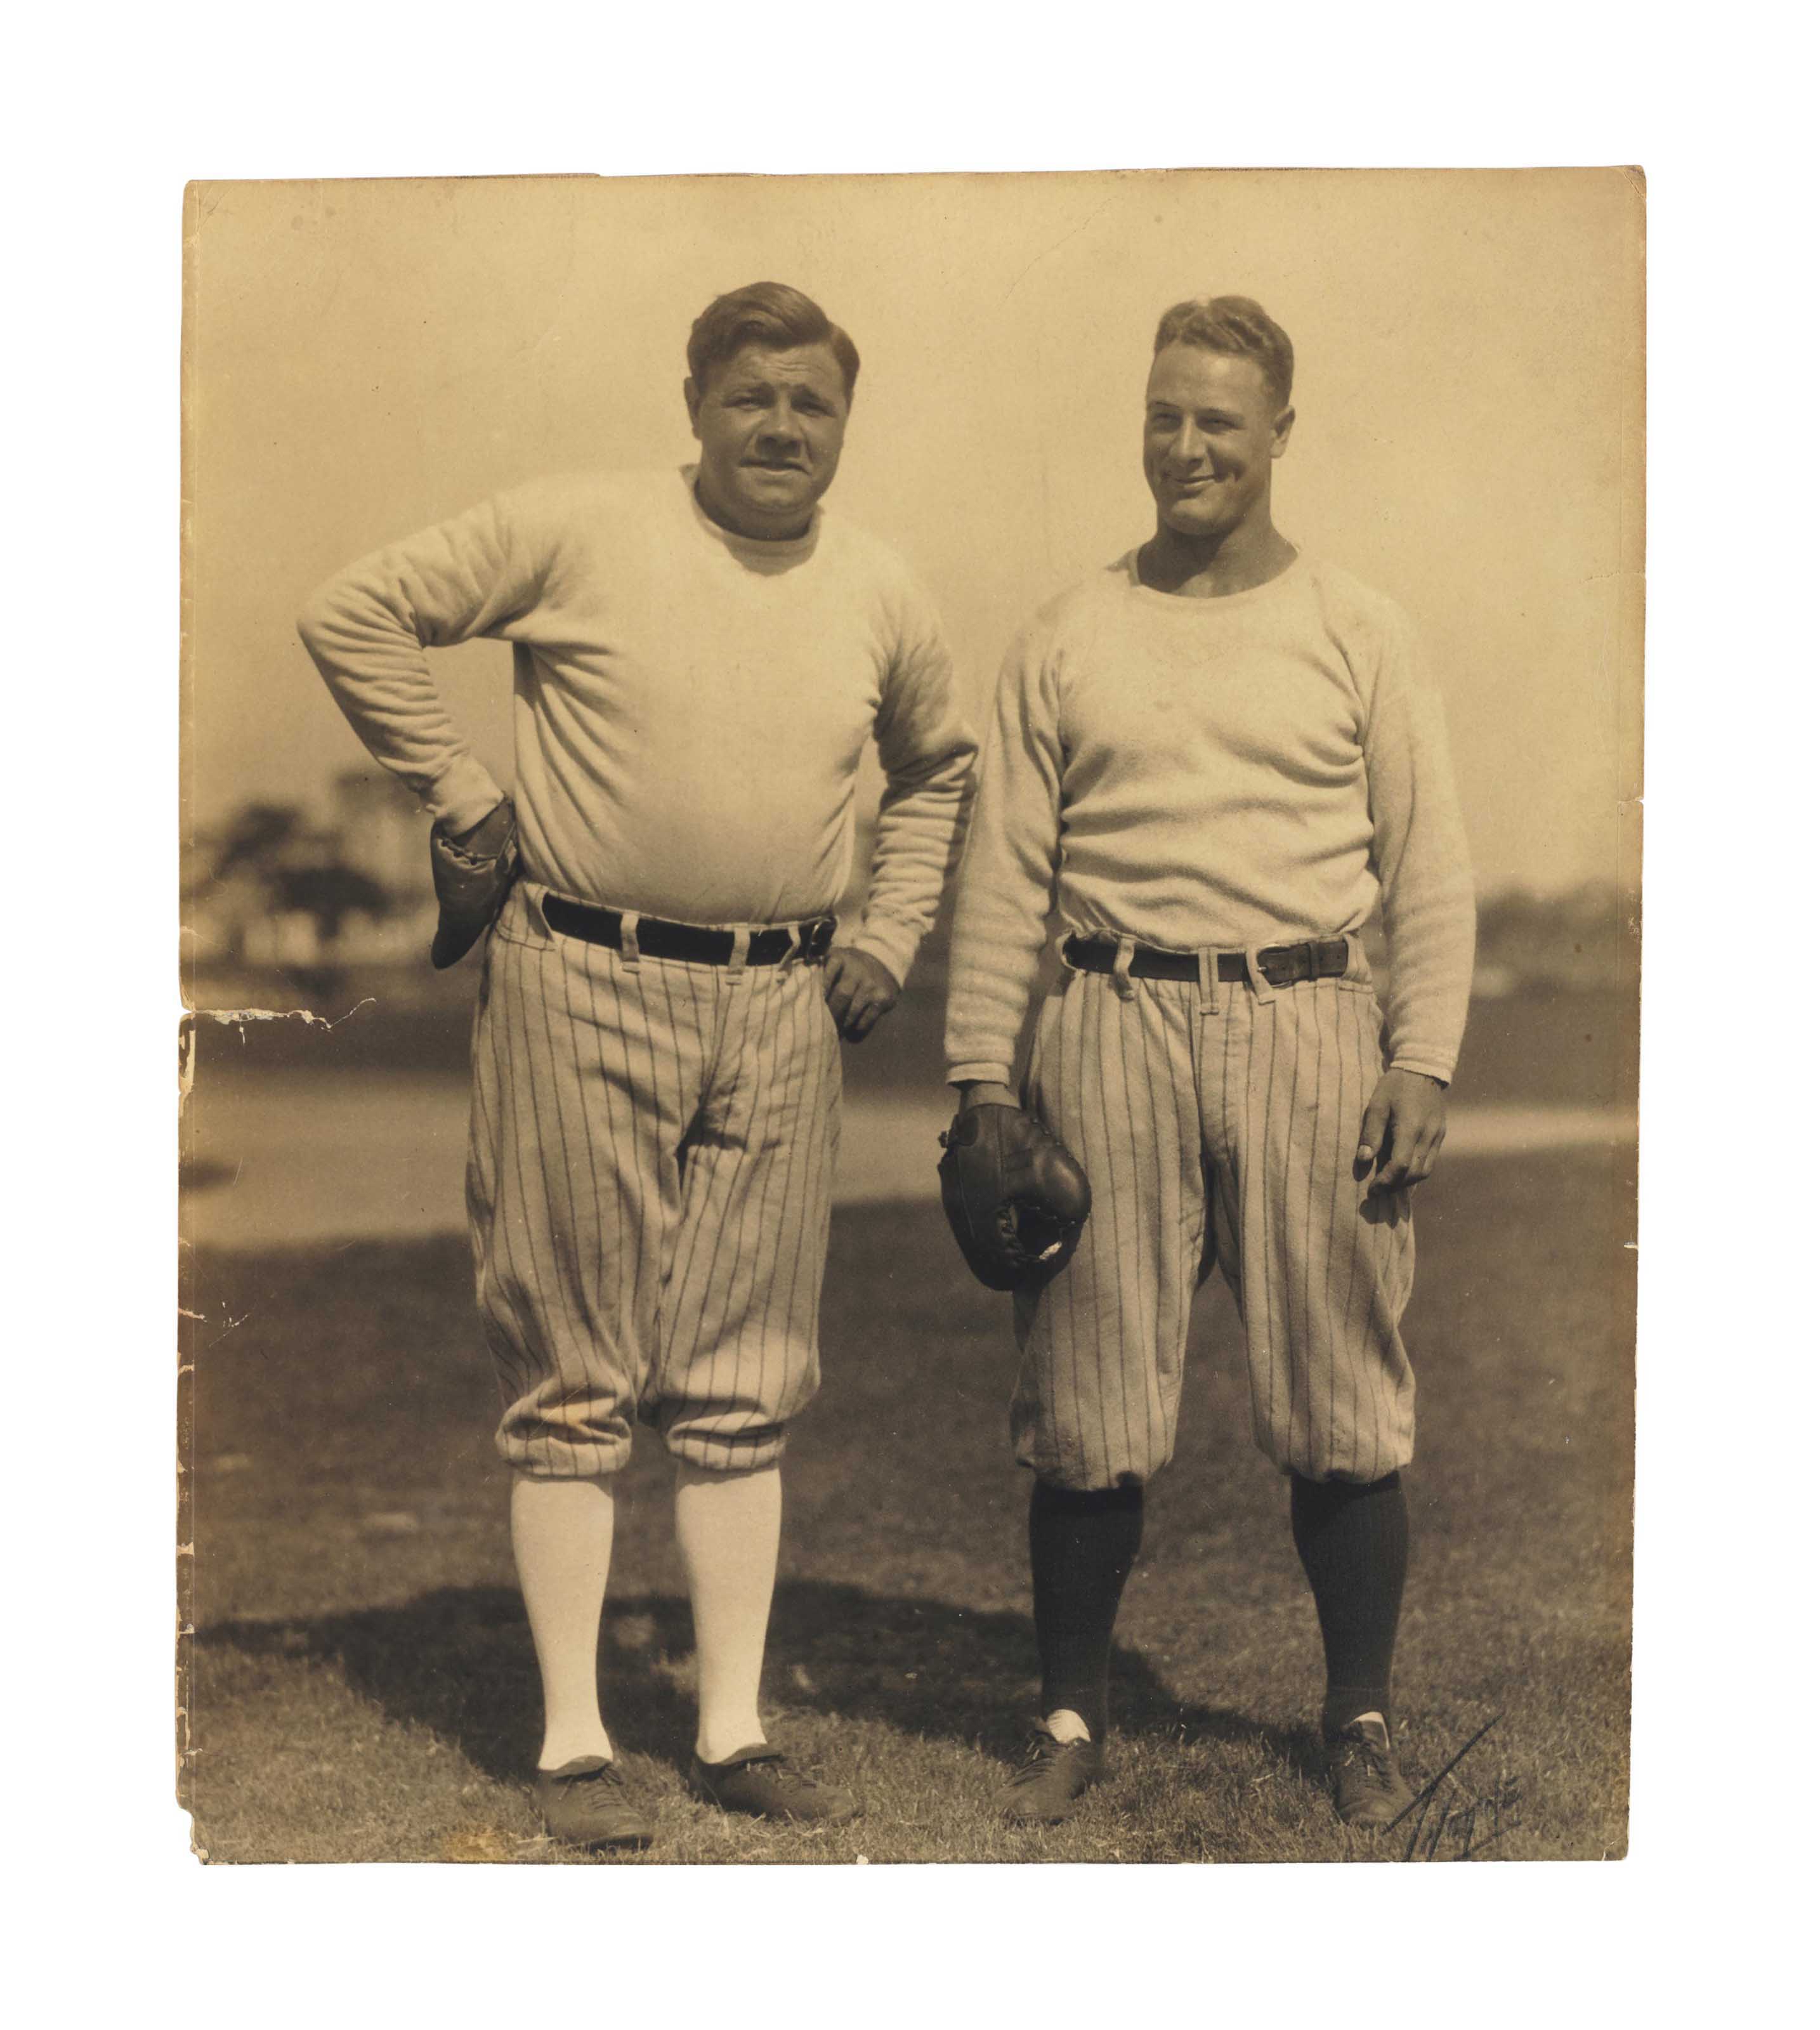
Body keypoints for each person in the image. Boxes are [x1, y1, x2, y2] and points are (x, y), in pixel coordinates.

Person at [299, 282, 977, 1849]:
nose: (781, 426)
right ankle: (571, 1745)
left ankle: (734, 1730)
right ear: (693, 404)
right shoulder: (581, 526)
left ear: (844, 424)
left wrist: (886, 933)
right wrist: (466, 798)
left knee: (743, 1377)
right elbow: (355, 612)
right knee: (572, 1368)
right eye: (751, 395)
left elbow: (938, 769)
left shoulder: (880, 585)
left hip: (785, 1000)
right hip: (579, 977)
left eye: (811, 402)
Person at [943, 294, 1475, 1830]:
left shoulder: (1357, 626)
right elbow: (1003, 879)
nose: (1188, 447)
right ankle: (1067, 1714)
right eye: (1165, 416)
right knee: (1088, 1398)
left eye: (1220, 422)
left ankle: (1358, 1715)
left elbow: (1426, 864)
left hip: (1311, 1017)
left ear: (1278, 437)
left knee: (1340, 1392)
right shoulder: (1067, 629)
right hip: (1110, 1018)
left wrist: (1421, 1059)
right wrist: (984, 1083)